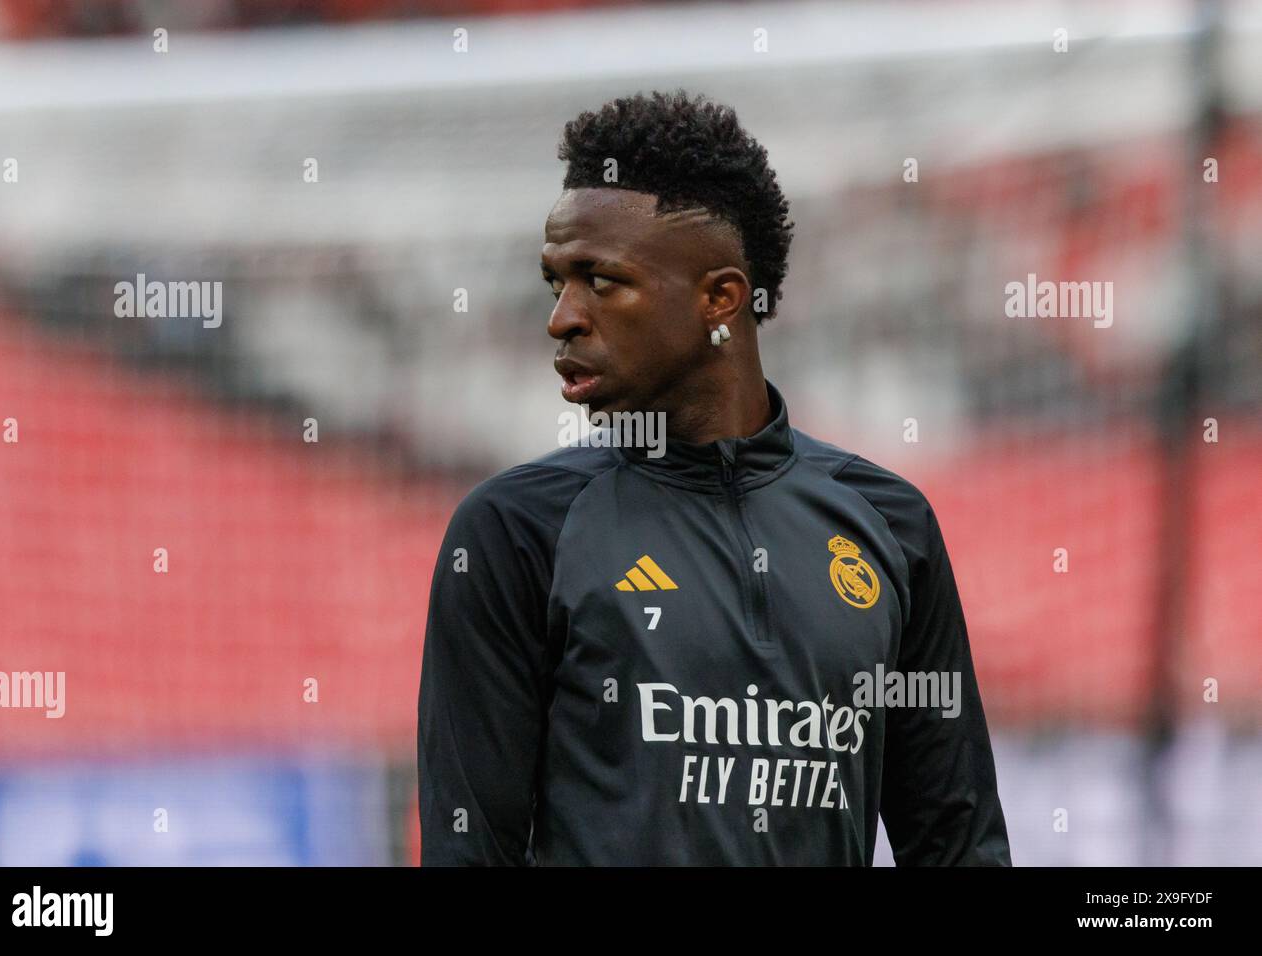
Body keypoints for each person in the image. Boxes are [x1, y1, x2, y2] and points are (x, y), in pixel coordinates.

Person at [417, 89, 1011, 865]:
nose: (561, 317)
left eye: (600, 280)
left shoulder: (889, 527)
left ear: (721, 301)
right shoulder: (514, 532)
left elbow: (959, 847)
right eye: (554, 282)